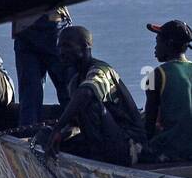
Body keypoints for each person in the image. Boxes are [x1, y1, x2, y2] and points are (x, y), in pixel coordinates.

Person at [43, 26, 145, 166]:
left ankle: (98, 160)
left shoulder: (101, 70)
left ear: (85, 47)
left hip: (130, 145)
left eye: (67, 46)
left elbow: (87, 93)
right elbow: (75, 121)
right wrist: (59, 134)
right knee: (46, 137)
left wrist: (58, 127)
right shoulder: (75, 81)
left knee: (90, 102)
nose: (61, 52)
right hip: (108, 140)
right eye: (59, 47)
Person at [142, 20, 192, 163]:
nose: (155, 48)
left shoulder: (156, 75)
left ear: (168, 44)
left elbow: (148, 125)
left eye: (158, 42)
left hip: (173, 151)